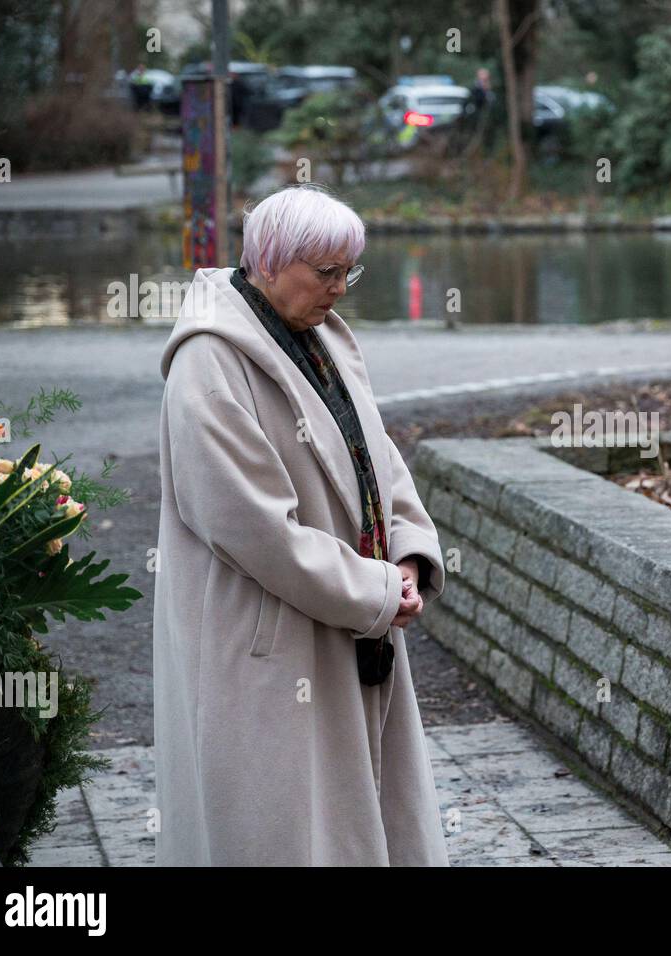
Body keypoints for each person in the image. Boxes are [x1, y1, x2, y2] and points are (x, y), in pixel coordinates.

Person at [153, 183, 449, 865]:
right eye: (327, 272)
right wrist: (376, 592)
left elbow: (378, 457)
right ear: (267, 259)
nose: (341, 289)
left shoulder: (323, 336)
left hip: (345, 620)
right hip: (266, 642)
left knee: (354, 823)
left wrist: (407, 556)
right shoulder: (207, 361)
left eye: (350, 271)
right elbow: (256, 529)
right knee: (281, 832)